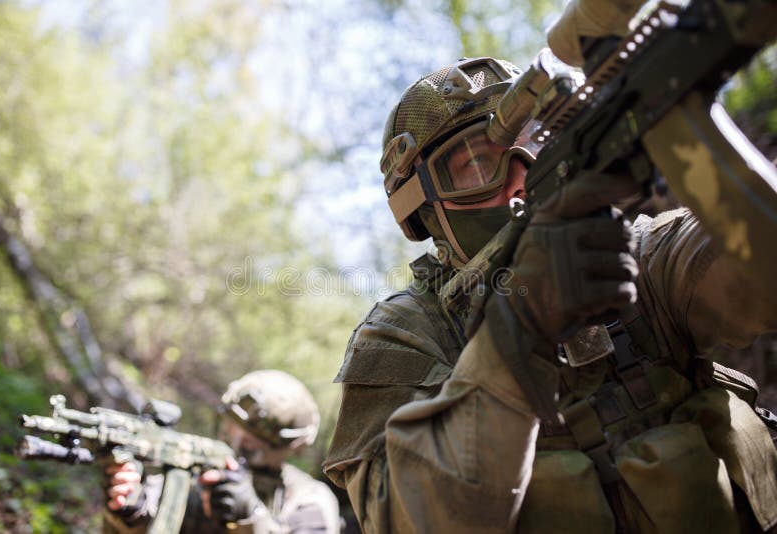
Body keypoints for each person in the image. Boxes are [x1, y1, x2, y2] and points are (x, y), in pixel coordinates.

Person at [322, 7, 777, 533]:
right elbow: (407, 519)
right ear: (423, 209)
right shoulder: (402, 338)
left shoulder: (640, 257)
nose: (518, 179)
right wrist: (516, 330)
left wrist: (685, 130)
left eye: (534, 143)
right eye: (476, 164)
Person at [103, 369, 341, 533]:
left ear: (289, 449)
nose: (233, 447)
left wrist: (250, 517)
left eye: (250, 445)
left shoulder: (309, 501)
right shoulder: (194, 476)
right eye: (227, 432)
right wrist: (131, 511)